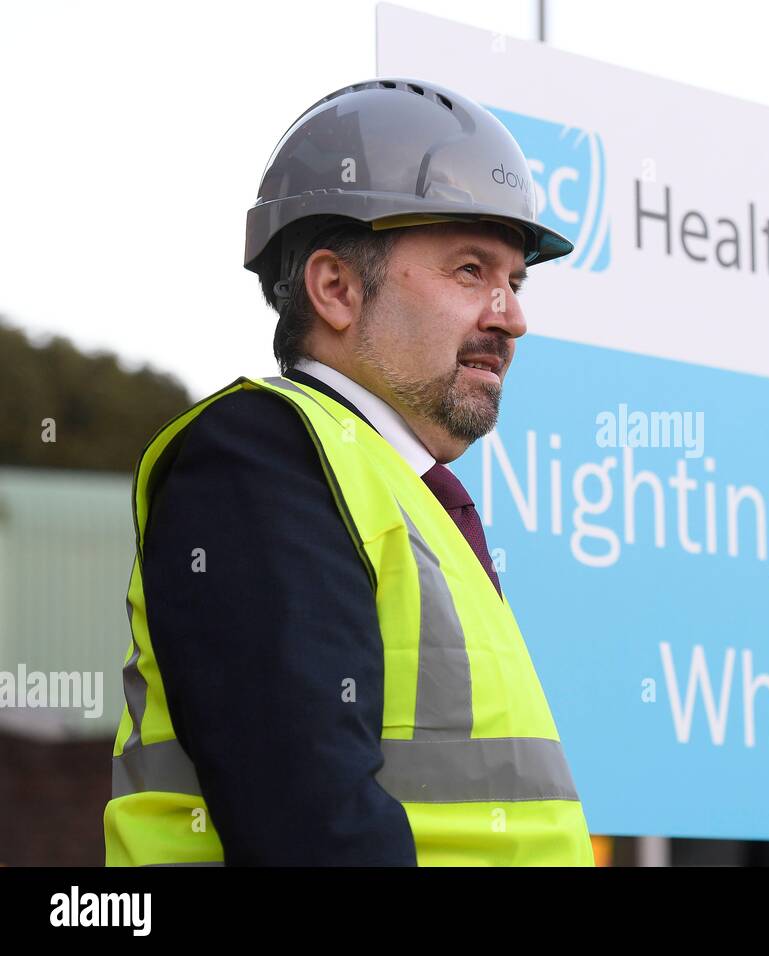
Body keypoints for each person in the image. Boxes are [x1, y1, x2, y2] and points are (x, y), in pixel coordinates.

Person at [103, 77, 595, 866]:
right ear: (335, 288)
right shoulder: (260, 459)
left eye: (516, 280)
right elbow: (310, 828)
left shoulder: (405, 495)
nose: (512, 316)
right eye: (471, 270)